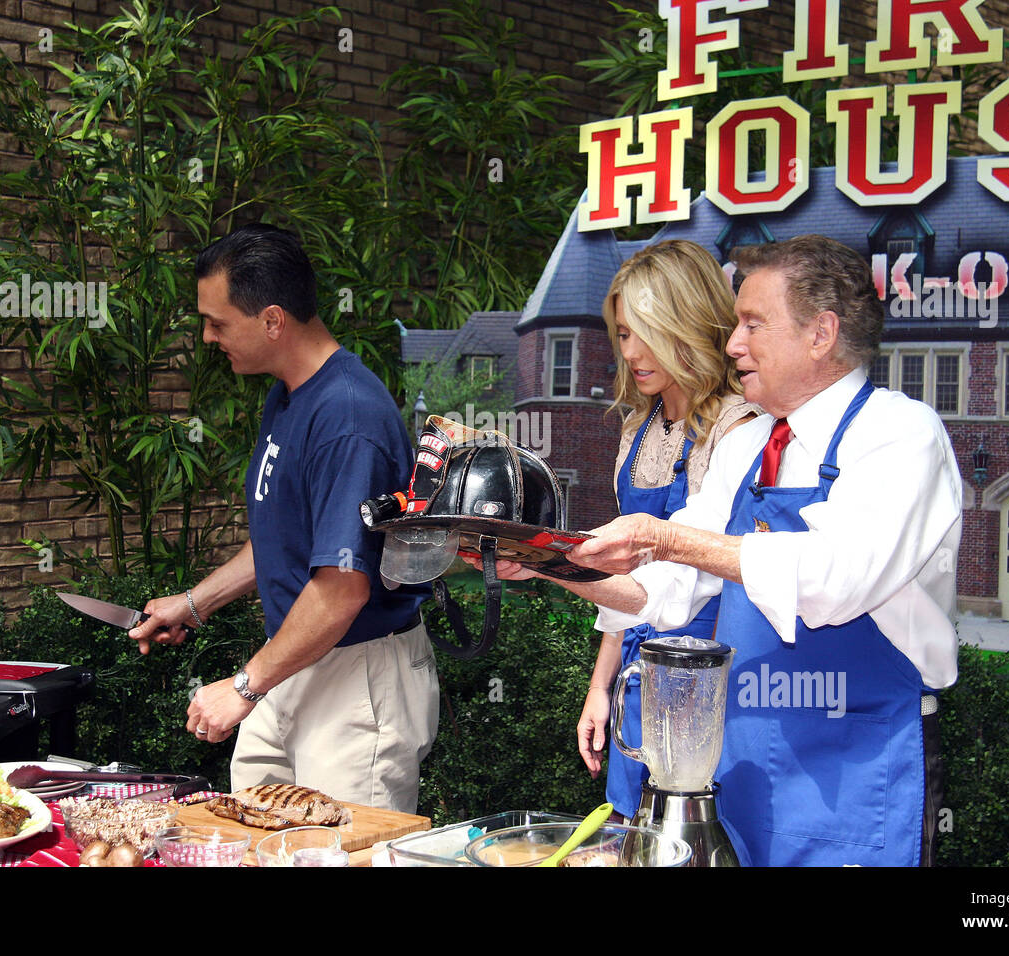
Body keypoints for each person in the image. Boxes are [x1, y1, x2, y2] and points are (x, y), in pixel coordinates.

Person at [489, 235, 961, 866]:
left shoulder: (900, 434)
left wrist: (664, 536)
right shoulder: (748, 445)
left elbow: (834, 581)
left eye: (753, 324)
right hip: (738, 765)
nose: (733, 344)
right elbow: (665, 594)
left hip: (854, 764)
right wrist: (543, 561)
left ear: (821, 333)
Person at [128, 224, 439, 812]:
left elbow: (342, 589)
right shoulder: (289, 393)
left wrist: (244, 687)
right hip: (293, 657)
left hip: (358, 678)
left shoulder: (348, 417)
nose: (207, 336)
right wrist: (192, 604)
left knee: (343, 855)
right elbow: (286, 540)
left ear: (272, 321)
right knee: (251, 838)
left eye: (217, 322)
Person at [577, 240, 757, 821]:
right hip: (638, 667)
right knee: (632, 825)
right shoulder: (638, 427)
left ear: (694, 324)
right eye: (624, 334)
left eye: (647, 331)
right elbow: (628, 581)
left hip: (706, 675)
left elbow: (680, 585)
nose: (631, 351)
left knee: (690, 830)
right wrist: (600, 685)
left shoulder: (737, 427)